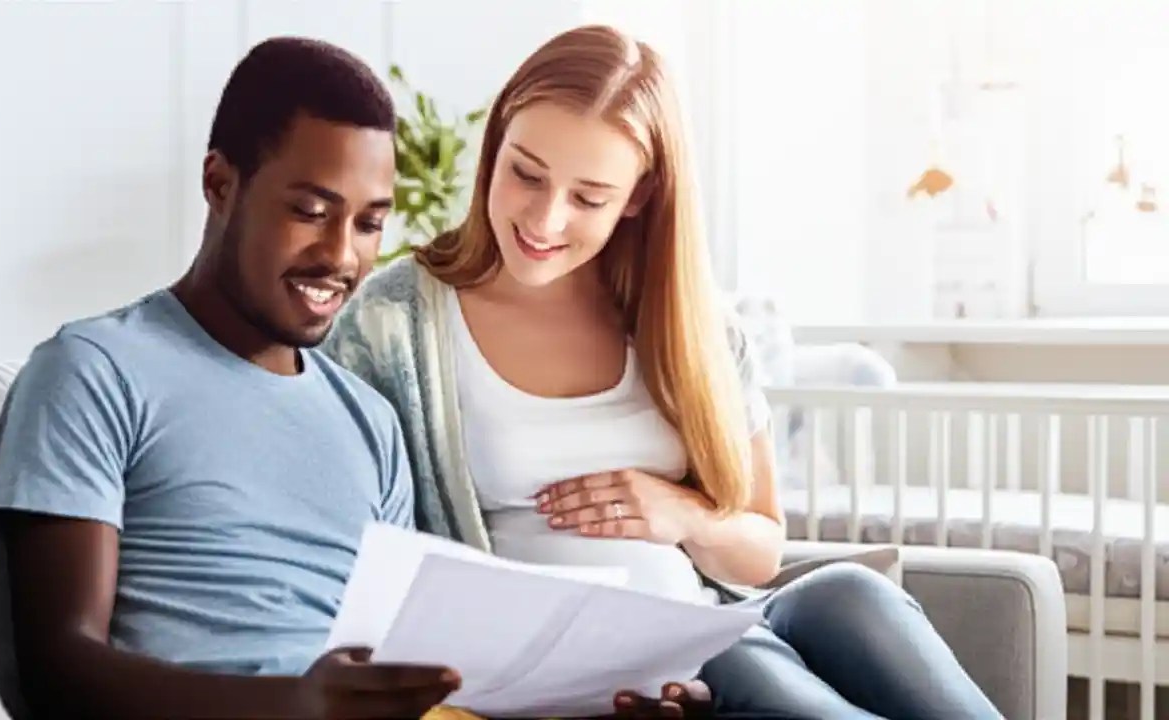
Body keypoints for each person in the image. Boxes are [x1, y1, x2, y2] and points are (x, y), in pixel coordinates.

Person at [0, 36, 693, 720]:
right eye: (310, 212)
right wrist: (293, 709)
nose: (340, 256)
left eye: (367, 224)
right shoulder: (93, 371)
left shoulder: (369, 420)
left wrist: (598, 699)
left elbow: (407, 660)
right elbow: (60, 669)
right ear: (220, 184)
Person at [323, 25, 1004, 720]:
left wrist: (685, 515)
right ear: (495, 145)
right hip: (593, 675)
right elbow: (347, 554)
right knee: (764, 680)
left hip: (710, 625)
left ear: (640, 195)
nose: (544, 217)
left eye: (589, 197)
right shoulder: (393, 322)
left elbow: (761, 549)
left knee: (857, 596)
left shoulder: (695, 325)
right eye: (525, 172)